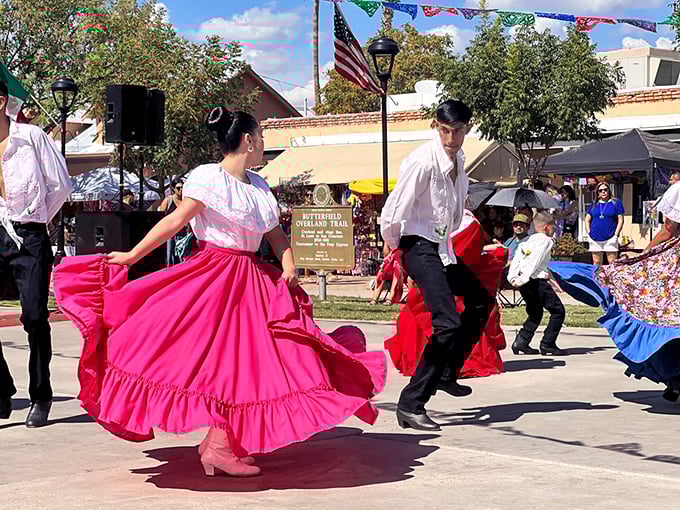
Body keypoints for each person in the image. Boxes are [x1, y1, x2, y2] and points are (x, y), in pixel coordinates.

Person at [54, 107, 385, 476]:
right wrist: (132, 256)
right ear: (248, 140)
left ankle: (221, 443)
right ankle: (219, 445)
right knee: (217, 362)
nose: (263, 144)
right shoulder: (209, 178)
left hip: (253, 280)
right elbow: (175, 221)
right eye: (260, 137)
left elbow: (276, 236)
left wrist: (289, 267)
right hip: (214, 276)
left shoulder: (259, 187)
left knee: (255, 363)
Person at [380, 99, 493, 431]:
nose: (451, 138)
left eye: (458, 131)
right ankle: (411, 403)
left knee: (479, 302)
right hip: (417, 245)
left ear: (467, 129)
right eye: (445, 131)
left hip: (442, 246)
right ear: (435, 127)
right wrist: (396, 252)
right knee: (447, 323)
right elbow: (393, 211)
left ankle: (446, 371)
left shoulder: (459, 159)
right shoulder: (422, 162)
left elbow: (453, 212)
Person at [550, 182, 680, 401]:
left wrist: (644, 255)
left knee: (662, 319)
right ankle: (674, 375)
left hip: (673, 265)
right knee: (668, 323)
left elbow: (668, 230)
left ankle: (674, 375)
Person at [0, 79, 72, 427]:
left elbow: (60, 185)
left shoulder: (31, 138)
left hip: (29, 235)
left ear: (0, 102)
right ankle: (2, 390)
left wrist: (37, 218)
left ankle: (40, 395)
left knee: (32, 316)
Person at [385, 208, 507, 380]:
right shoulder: (467, 222)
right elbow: (467, 255)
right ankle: (430, 382)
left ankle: (429, 378)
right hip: (451, 277)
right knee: (454, 319)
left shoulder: (432, 217)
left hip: (435, 274)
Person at [507, 212, 566, 356]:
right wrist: (524, 278)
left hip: (525, 282)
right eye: (553, 227)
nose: (553, 230)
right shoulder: (545, 240)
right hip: (535, 280)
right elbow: (535, 260)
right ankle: (548, 344)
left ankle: (522, 341)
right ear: (547, 227)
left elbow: (518, 259)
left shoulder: (527, 240)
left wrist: (513, 277)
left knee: (535, 312)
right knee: (558, 311)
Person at [585, 181, 624, 265]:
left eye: (605, 190)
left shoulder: (616, 202)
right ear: (597, 192)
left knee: (612, 262)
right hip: (595, 237)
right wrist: (589, 233)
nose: (603, 192)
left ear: (609, 190)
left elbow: (620, 219)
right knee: (597, 262)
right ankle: (598, 278)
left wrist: (616, 235)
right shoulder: (594, 203)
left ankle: (612, 278)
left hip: (610, 237)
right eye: (600, 190)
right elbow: (587, 219)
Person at [159, 178, 193, 265]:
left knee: (183, 256)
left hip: (184, 233)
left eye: (182, 188)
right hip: (170, 233)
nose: (181, 190)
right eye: (178, 188)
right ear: (173, 189)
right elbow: (160, 217)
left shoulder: (186, 201)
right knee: (170, 255)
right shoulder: (168, 200)